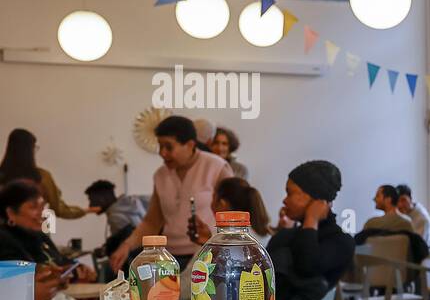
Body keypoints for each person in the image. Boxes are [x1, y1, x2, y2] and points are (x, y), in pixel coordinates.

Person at [109, 115, 232, 272]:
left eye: (169, 147)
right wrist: (126, 246)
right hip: (169, 258)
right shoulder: (160, 175)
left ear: (189, 145)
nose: (162, 153)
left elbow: (234, 215)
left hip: (207, 257)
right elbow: (152, 222)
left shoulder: (217, 167)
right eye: (160, 146)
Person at [0, 179, 97, 300]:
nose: (42, 213)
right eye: (33, 207)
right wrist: (47, 277)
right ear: (11, 212)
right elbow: (15, 283)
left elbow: (58, 260)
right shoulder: (5, 241)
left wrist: (75, 268)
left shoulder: (39, 235)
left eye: (42, 207)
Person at [267, 161, 355, 300]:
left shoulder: (341, 242)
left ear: (315, 198)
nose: (285, 200)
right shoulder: (287, 235)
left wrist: (311, 219)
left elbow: (306, 267)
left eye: (290, 193)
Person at [0, 128, 100, 223]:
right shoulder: (42, 177)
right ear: (29, 150)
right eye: (34, 148)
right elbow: (59, 209)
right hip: (34, 233)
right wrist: (85, 211)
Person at [188, 177, 273, 247]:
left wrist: (209, 242)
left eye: (213, 197)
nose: (211, 204)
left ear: (222, 204)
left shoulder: (231, 237)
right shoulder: (261, 232)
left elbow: (224, 264)